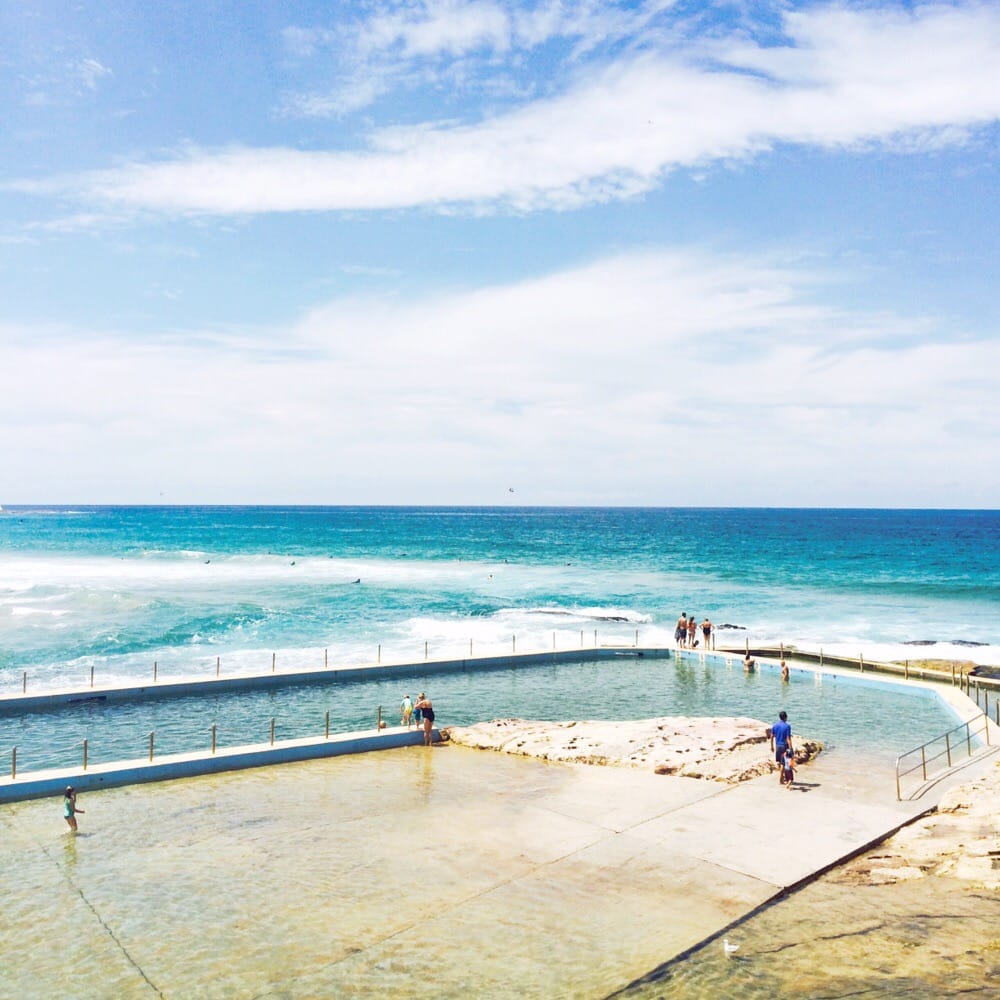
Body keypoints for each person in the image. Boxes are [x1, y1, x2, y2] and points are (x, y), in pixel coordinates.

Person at [770, 710, 793, 785]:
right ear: (786, 717)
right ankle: (781, 779)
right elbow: (788, 738)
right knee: (785, 764)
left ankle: (782, 777)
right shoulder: (787, 726)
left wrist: (772, 746)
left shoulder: (775, 726)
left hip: (777, 746)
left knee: (780, 762)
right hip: (784, 746)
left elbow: (772, 736)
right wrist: (791, 748)